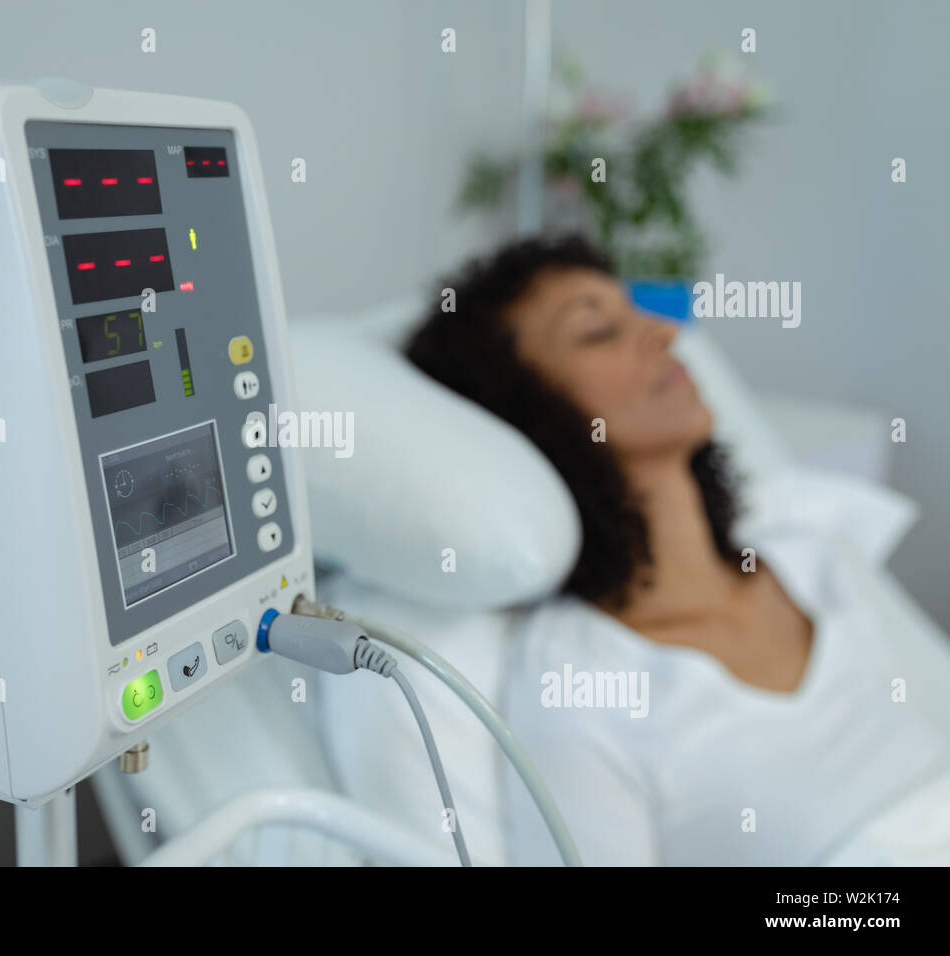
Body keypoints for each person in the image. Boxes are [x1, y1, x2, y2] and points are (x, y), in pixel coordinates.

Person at [396, 234, 950, 864]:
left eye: (639, 313)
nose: (663, 333)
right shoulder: (583, 687)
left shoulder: (817, 561)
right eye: (599, 332)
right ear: (526, 418)